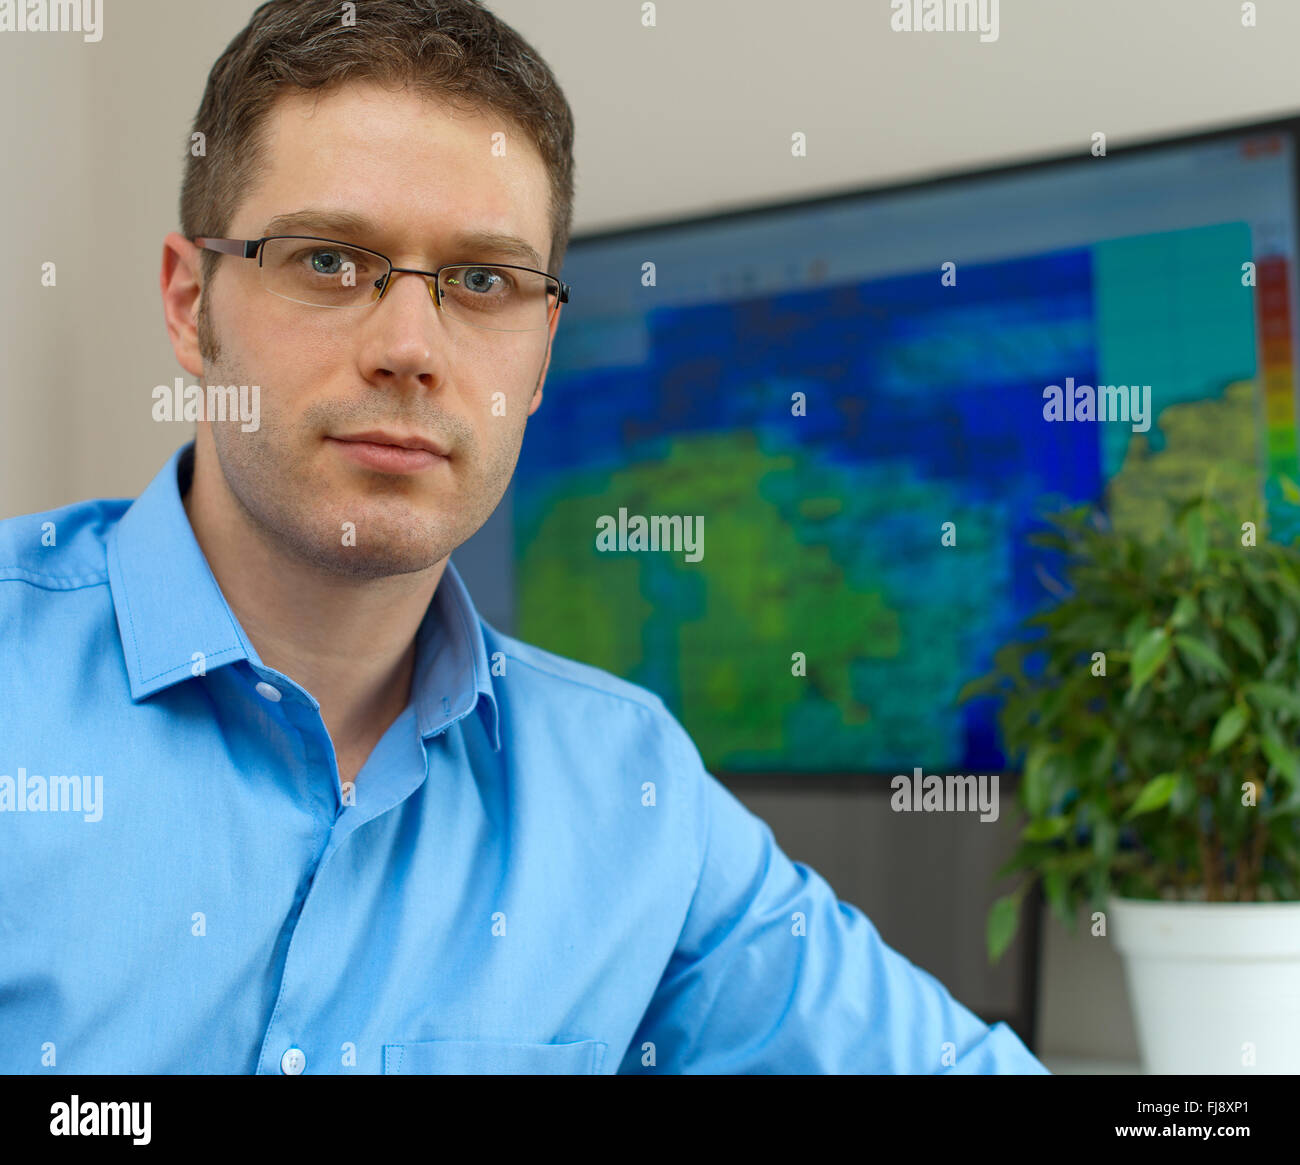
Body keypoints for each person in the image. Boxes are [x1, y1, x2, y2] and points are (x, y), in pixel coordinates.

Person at [0, 0, 1048, 1075]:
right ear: (189, 304)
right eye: (327, 261)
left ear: (541, 357)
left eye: (483, 281)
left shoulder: (627, 789)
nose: (409, 347)